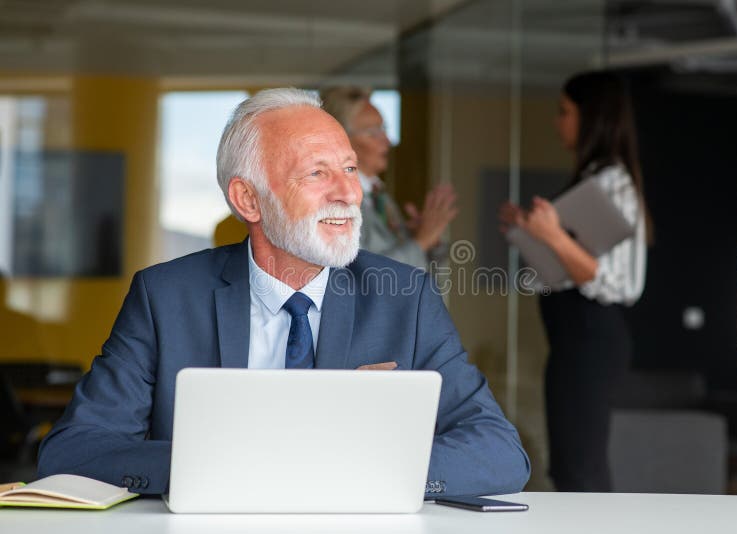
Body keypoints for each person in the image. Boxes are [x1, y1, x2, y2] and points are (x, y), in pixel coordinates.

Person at [37, 88, 530, 497]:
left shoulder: (404, 297)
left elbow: (499, 454)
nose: (348, 192)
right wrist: (231, 463)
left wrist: (345, 464)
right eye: (318, 173)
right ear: (248, 198)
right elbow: (73, 451)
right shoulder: (165, 297)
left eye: (351, 169)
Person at [499, 71, 647, 492]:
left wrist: (551, 236)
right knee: (569, 464)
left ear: (592, 117)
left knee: (580, 466)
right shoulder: (596, 179)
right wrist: (527, 233)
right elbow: (570, 267)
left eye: (564, 112)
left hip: (590, 337)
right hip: (574, 339)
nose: (557, 122)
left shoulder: (613, 183)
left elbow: (615, 280)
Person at [320, 87, 457, 270]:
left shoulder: (380, 197)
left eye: (383, 128)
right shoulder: (336, 203)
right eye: (373, 132)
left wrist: (427, 240)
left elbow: (415, 270)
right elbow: (361, 273)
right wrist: (421, 241)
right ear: (342, 139)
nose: (387, 140)